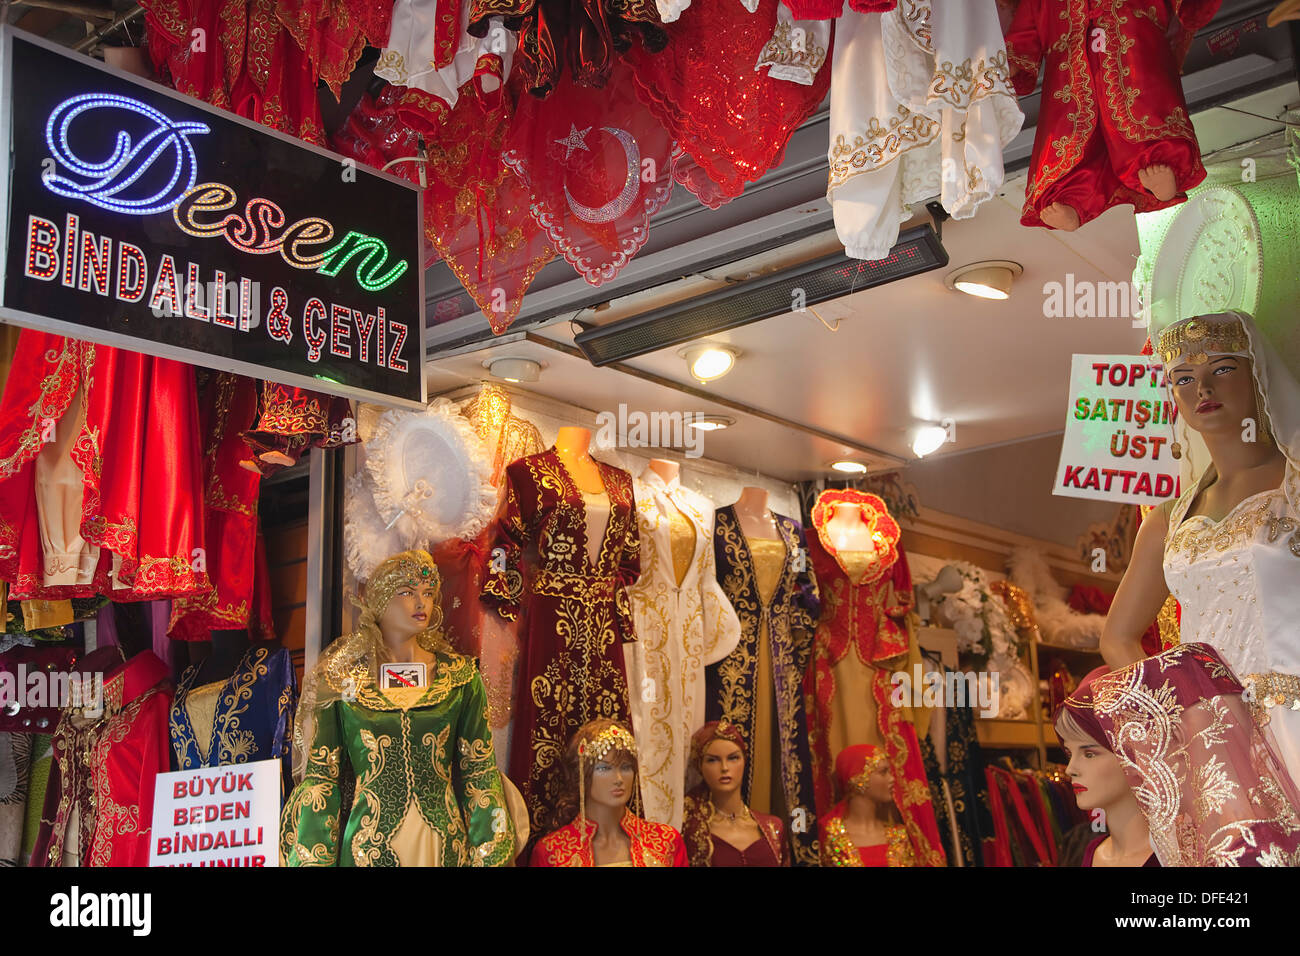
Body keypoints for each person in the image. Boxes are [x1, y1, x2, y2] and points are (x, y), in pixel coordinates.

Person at [1100, 310, 1300, 789]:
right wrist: (1177, 717)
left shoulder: (1294, 488)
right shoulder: (1169, 519)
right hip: (1213, 738)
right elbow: (1117, 637)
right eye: (1183, 377)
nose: (1202, 389)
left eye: (1223, 369)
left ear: (1257, 372)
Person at [281, 550, 515, 866]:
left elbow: (479, 775)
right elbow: (323, 779)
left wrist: (489, 856)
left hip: (443, 847)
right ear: (379, 599)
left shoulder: (460, 678)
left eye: (428, 593)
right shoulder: (343, 682)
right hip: (367, 849)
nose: (421, 603)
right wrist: (314, 858)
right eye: (406, 592)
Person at [529, 720, 688, 867]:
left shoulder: (666, 842)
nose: (619, 779)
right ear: (581, 775)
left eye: (625, 767)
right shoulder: (552, 852)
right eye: (604, 768)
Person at [1054, 667, 1157, 867]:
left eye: (1089, 753)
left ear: (1134, 755)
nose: (1070, 769)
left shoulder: (1178, 859)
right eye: (1069, 753)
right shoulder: (1078, 851)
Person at [680, 721, 787, 866]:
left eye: (733, 758)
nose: (724, 768)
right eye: (712, 760)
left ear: (744, 760)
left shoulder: (773, 828)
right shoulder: (692, 831)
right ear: (700, 766)